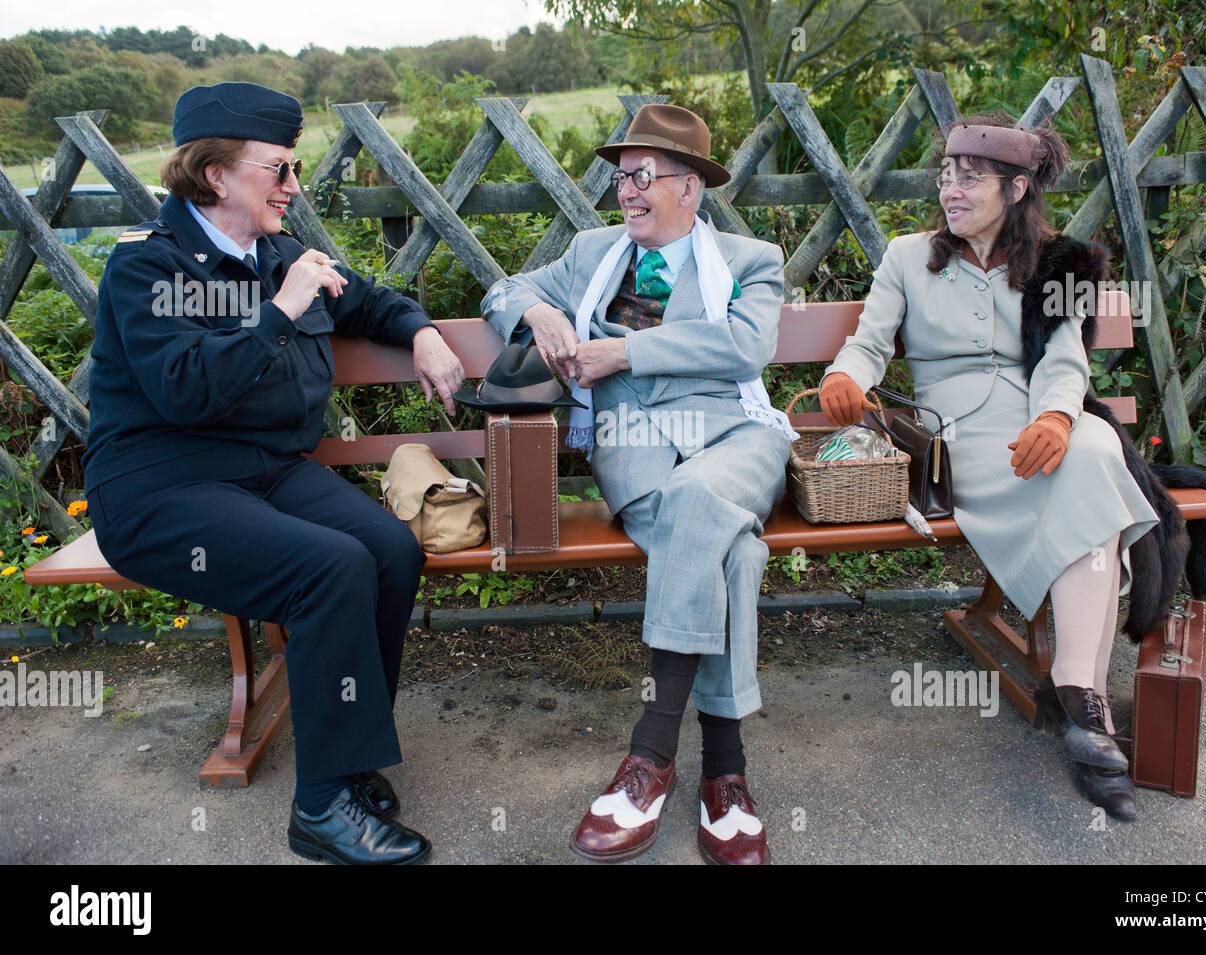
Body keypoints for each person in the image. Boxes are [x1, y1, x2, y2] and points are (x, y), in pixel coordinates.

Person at [82, 82, 465, 864]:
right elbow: (185, 388)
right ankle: (320, 810)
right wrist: (278, 310)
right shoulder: (146, 269)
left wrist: (420, 331)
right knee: (329, 568)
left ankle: (346, 758)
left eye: (297, 170)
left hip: (263, 471)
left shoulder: (282, 253)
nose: (296, 187)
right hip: (162, 487)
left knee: (390, 549)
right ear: (216, 175)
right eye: (280, 170)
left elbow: (367, 304)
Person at [819, 113, 1164, 820]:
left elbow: (1064, 362)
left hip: (1037, 426)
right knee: (1096, 487)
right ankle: (1088, 713)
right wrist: (842, 376)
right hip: (957, 439)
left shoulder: (1053, 261)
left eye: (968, 177)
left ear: (1014, 187)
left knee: (1094, 448)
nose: (950, 188)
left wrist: (1057, 414)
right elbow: (869, 342)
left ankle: (1077, 693)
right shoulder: (908, 256)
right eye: (946, 173)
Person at [481, 104, 798, 864]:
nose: (625, 191)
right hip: (634, 447)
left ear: (690, 188)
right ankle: (725, 771)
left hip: (737, 437)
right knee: (734, 553)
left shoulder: (752, 258)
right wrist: (538, 312)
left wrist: (622, 354)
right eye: (621, 176)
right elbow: (500, 290)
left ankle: (647, 761)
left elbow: (747, 345)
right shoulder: (592, 252)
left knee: (699, 509)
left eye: (643, 176)